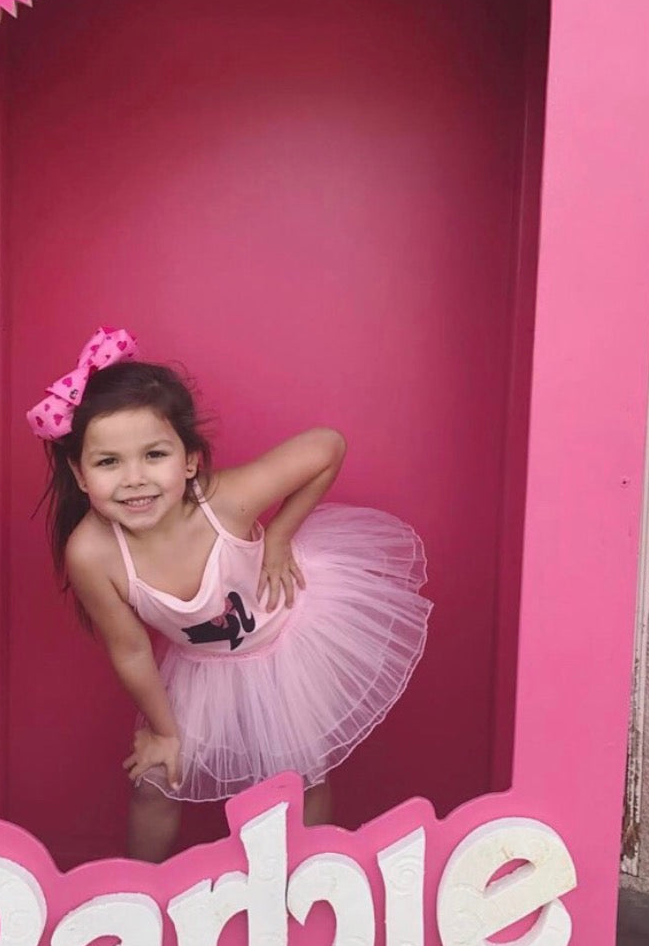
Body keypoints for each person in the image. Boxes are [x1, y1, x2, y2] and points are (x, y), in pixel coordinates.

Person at [29, 325, 432, 862]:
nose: (134, 479)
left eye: (154, 455)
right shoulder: (91, 553)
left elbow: (326, 446)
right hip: (204, 666)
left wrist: (280, 536)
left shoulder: (227, 503)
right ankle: (139, 892)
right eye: (108, 463)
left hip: (286, 638)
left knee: (303, 777)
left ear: (190, 461)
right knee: (155, 781)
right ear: (80, 475)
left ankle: (304, 881)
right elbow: (131, 648)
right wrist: (164, 733)